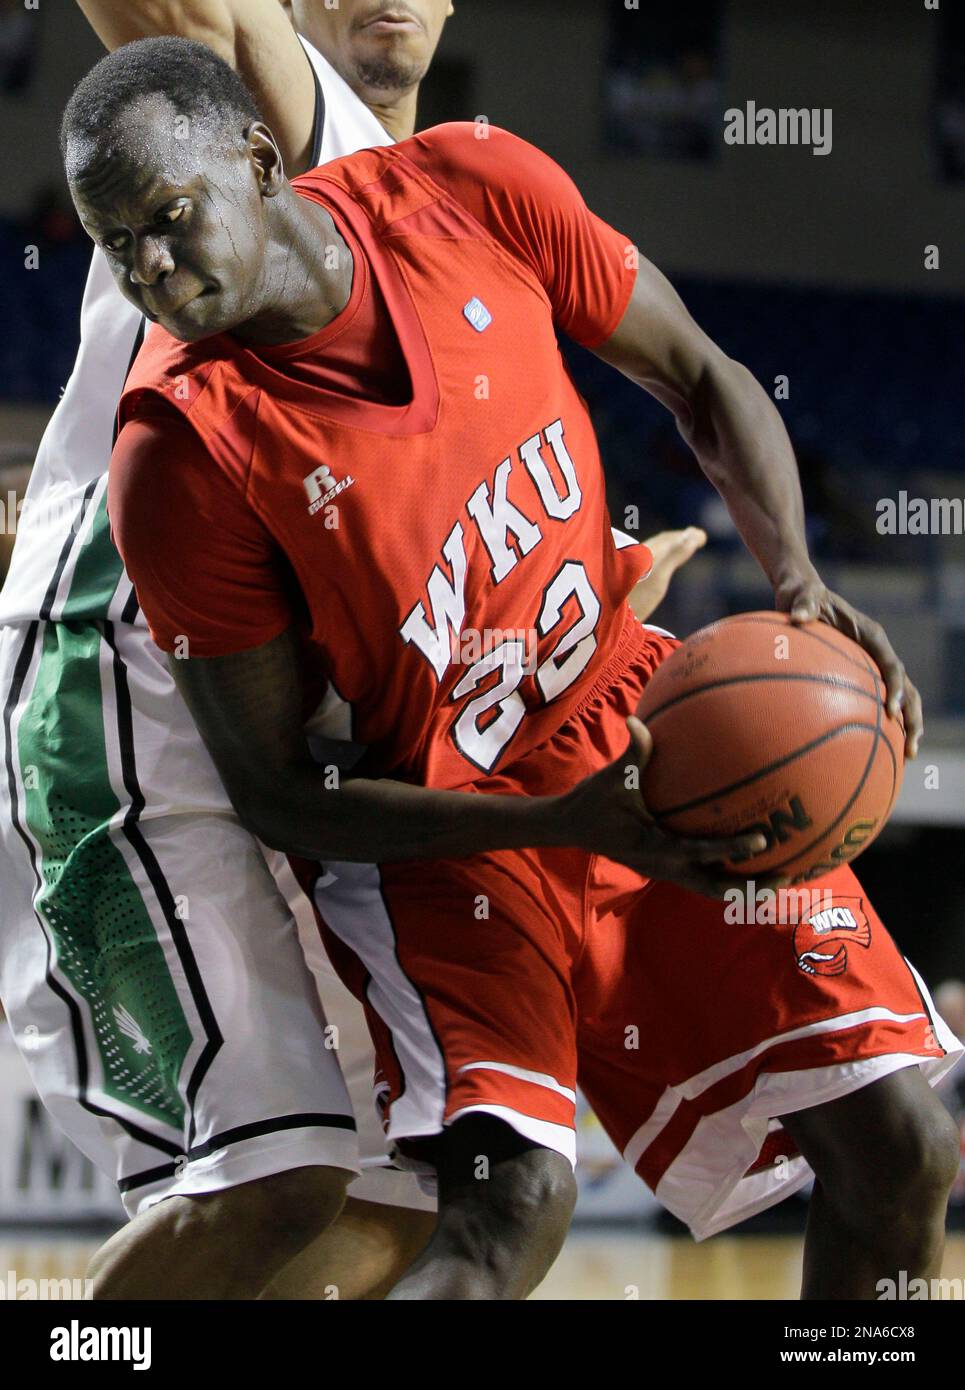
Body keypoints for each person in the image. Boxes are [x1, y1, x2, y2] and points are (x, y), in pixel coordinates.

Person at [69, 36, 963, 1300]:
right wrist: (556, 819)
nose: (153, 268)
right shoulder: (181, 453)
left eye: (168, 219)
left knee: (902, 1147)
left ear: (259, 160)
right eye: (118, 247)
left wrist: (800, 588)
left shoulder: (470, 188)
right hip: (448, 833)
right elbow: (278, 793)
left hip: (636, 728)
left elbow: (701, 374)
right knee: (508, 1221)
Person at [0, 0, 462, 1301]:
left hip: (286, 746)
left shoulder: (448, 225)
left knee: (412, 1190)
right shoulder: (264, 111)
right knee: (270, 1178)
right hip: (128, 688)